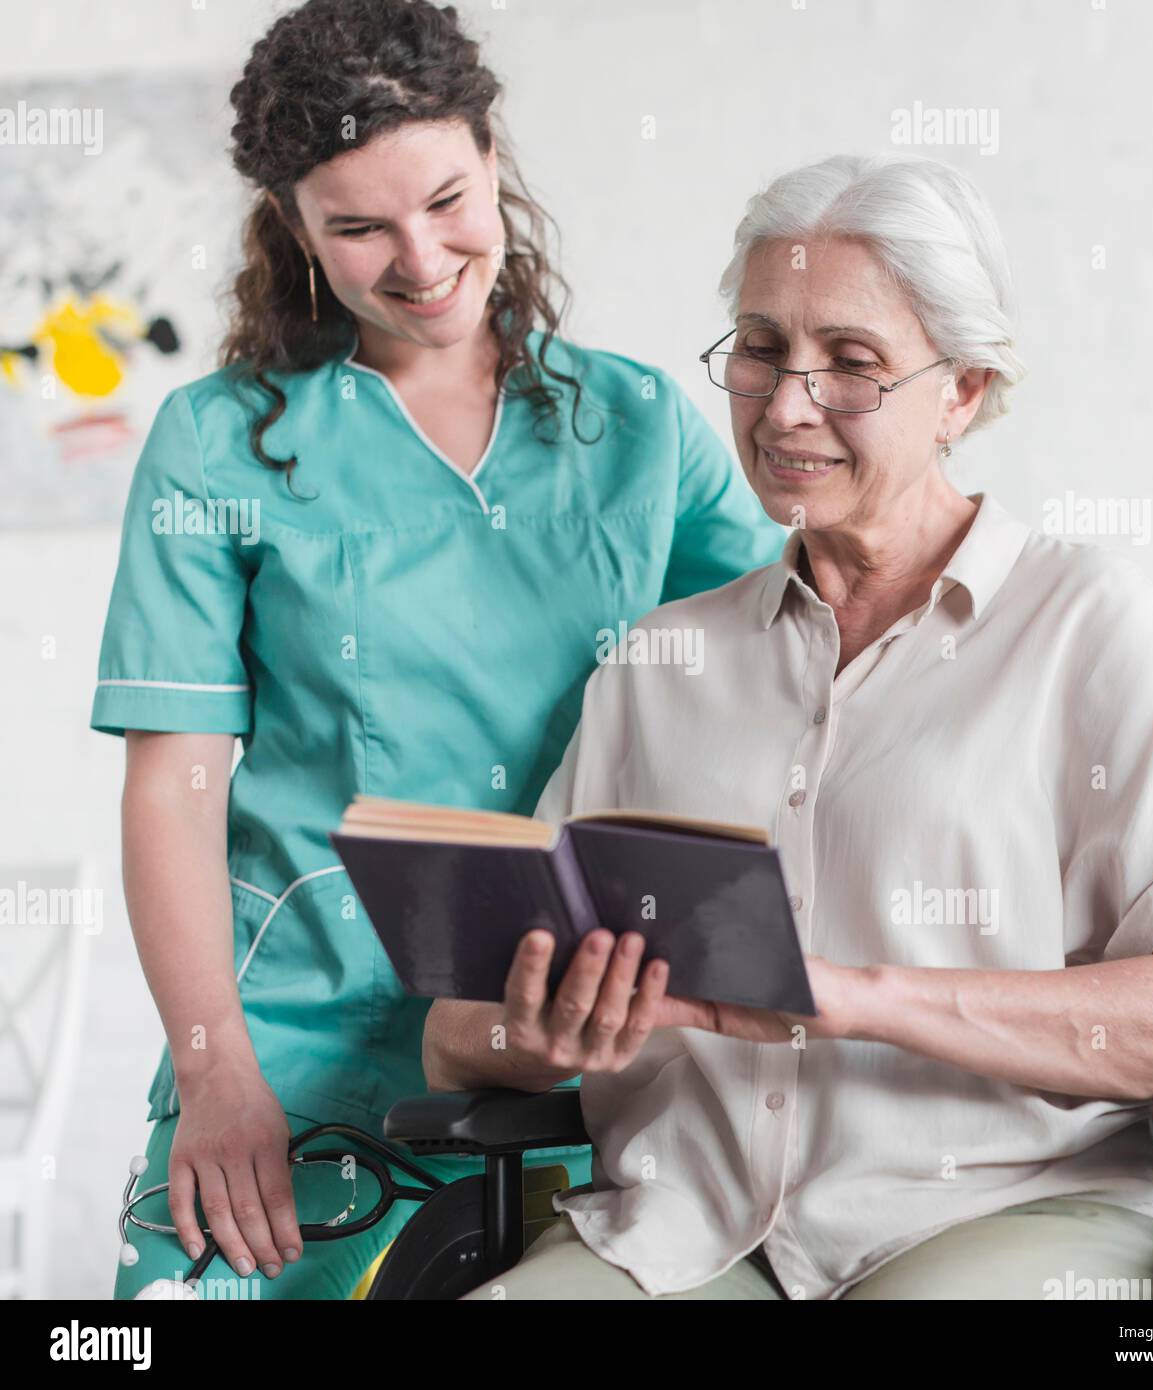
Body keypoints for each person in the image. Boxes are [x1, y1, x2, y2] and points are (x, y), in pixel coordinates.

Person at [427, 153, 1153, 1301]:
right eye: (760, 348)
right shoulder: (656, 664)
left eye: (851, 363)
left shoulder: (1079, 620)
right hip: (687, 1233)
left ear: (962, 391)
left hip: (1010, 1211)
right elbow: (454, 1032)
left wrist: (857, 994)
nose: (787, 405)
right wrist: (544, 1032)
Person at [95, 0, 783, 1300]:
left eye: (448, 200)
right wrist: (214, 1067)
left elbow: (822, 654)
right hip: (286, 1050)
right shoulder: (218, 444)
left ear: (491, 157)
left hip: (559, 1053)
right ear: (293, 226)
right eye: (358, 227)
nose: (420, 259)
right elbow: (171, 788)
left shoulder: (637, 426)